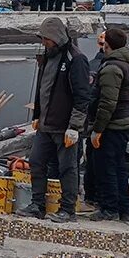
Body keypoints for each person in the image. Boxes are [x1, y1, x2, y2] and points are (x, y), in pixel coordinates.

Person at [17, 18, 90, 222]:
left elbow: (83, 96)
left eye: (47, 39)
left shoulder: (75, 60)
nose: (44, 42)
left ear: (57, 37)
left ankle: (68, 209)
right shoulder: (48, 57)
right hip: (46, 124)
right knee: (37, 161)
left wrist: (75, 126)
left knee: (68, 168)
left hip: (64, 126)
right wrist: (38, 116)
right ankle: (37, 205)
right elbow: (44, 89)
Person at [87, 28, 129, 222]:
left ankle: (109, 208)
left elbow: (107, 102)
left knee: (105, 167)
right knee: (118, 167)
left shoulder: (110, 68)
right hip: (122, 123)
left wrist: (98, 129)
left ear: (107, 45)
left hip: (111, 125)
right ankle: (124, 210)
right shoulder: (127, 64)